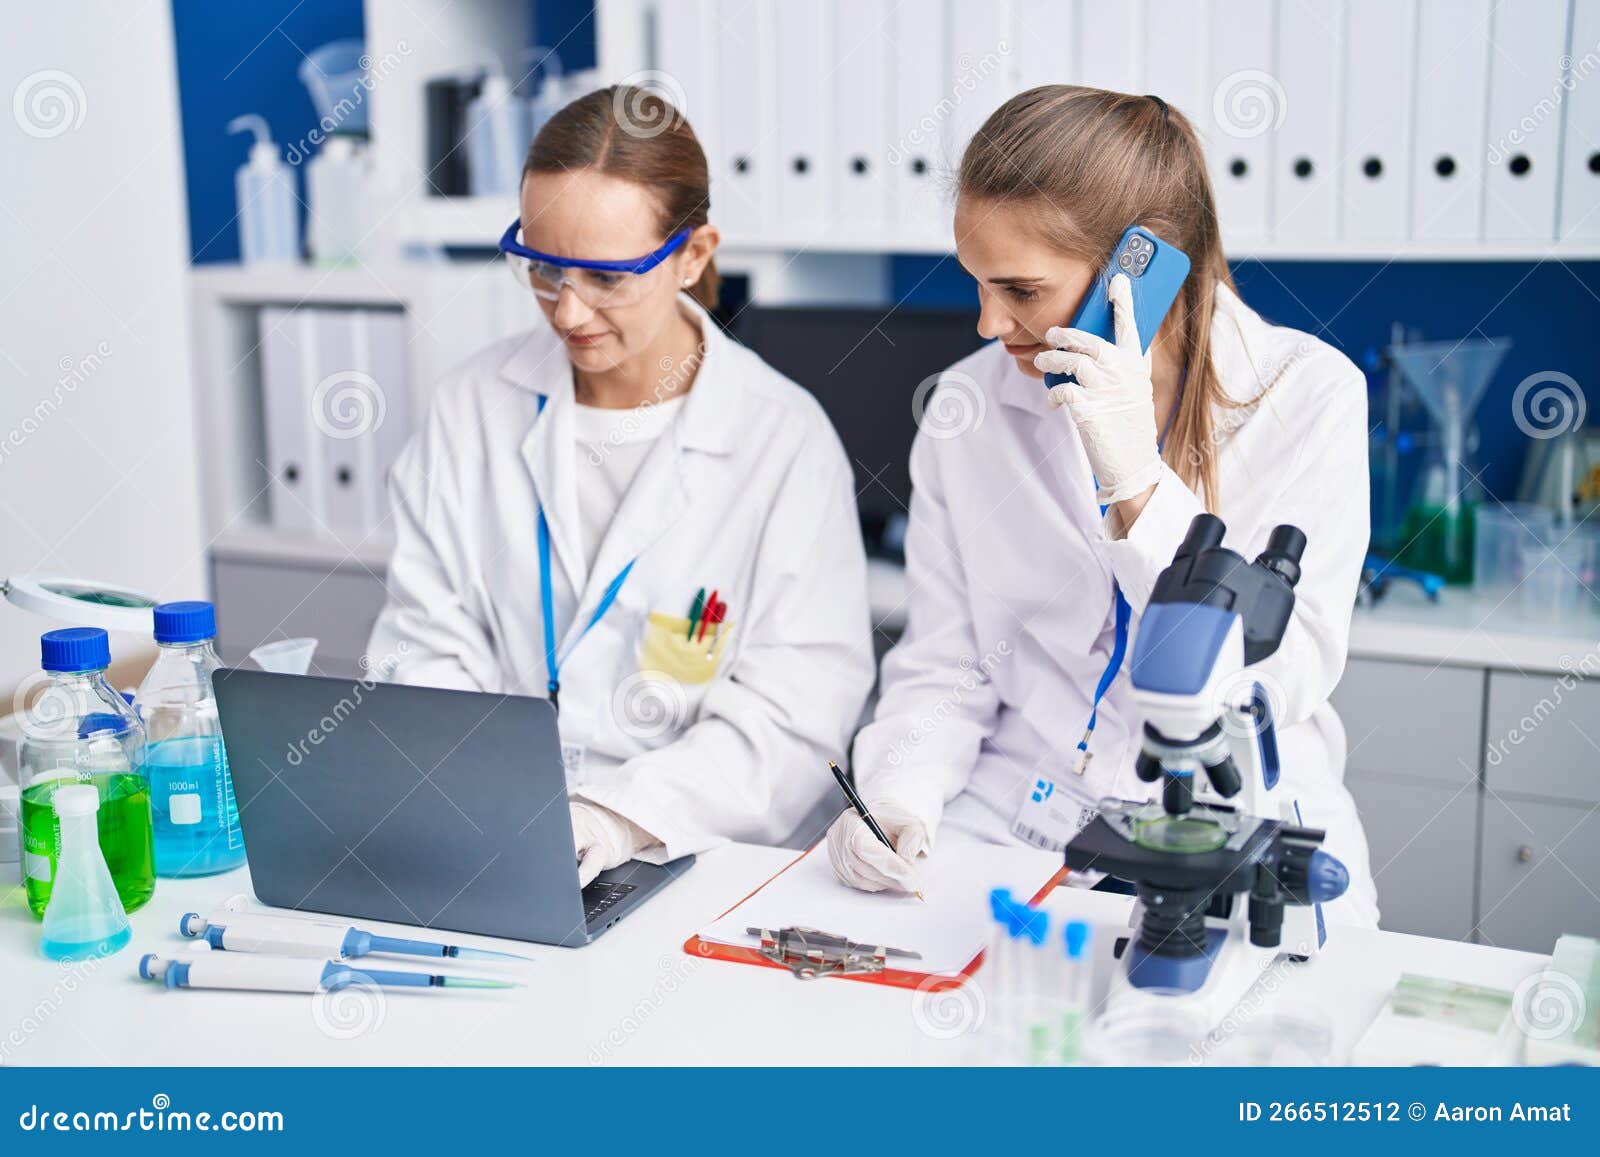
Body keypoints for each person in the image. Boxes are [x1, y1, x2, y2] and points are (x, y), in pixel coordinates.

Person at [827, 86, 1380, 929]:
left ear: (1139, 269)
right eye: (976, 284)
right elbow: (946, 664)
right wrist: (898, 800)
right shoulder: (966, 409)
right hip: (1022, 814)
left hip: (1235, 812)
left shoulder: (1307, 396)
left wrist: (1138, 485)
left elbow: (1276, 672)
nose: (987, 324)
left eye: (1020, 289)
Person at [369, 86, 874, 885]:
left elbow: (794, 717)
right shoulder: (471, 407)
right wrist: (482, 800)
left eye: (606, 277)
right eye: (541, 267)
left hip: (697, 850)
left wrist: (611, 817)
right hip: (498, 838)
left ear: (694, 254)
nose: (567, 312)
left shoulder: (781, 437)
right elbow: (425, 647)